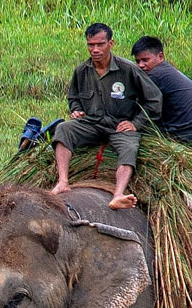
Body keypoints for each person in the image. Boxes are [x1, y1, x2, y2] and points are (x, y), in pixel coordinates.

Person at [49, 23, 163, 209]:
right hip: (92, 123)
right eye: (90, 45)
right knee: (63, 129)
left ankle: (118, 193)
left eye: (100, 44)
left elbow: (155, 99)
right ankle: (63, 182)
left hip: (119, 126)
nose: (95, 50)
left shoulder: (127, 69)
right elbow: (73, 96)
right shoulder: (82, 70)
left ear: (111, 43)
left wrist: (135, 123)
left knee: (129, 147)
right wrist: (76, 109)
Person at [131, 36, 192, 152]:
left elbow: (135, 105)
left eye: (145, 60)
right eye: (138, 61)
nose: (141, 65)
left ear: (161, 56)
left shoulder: (157, 75)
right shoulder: (166, 71)